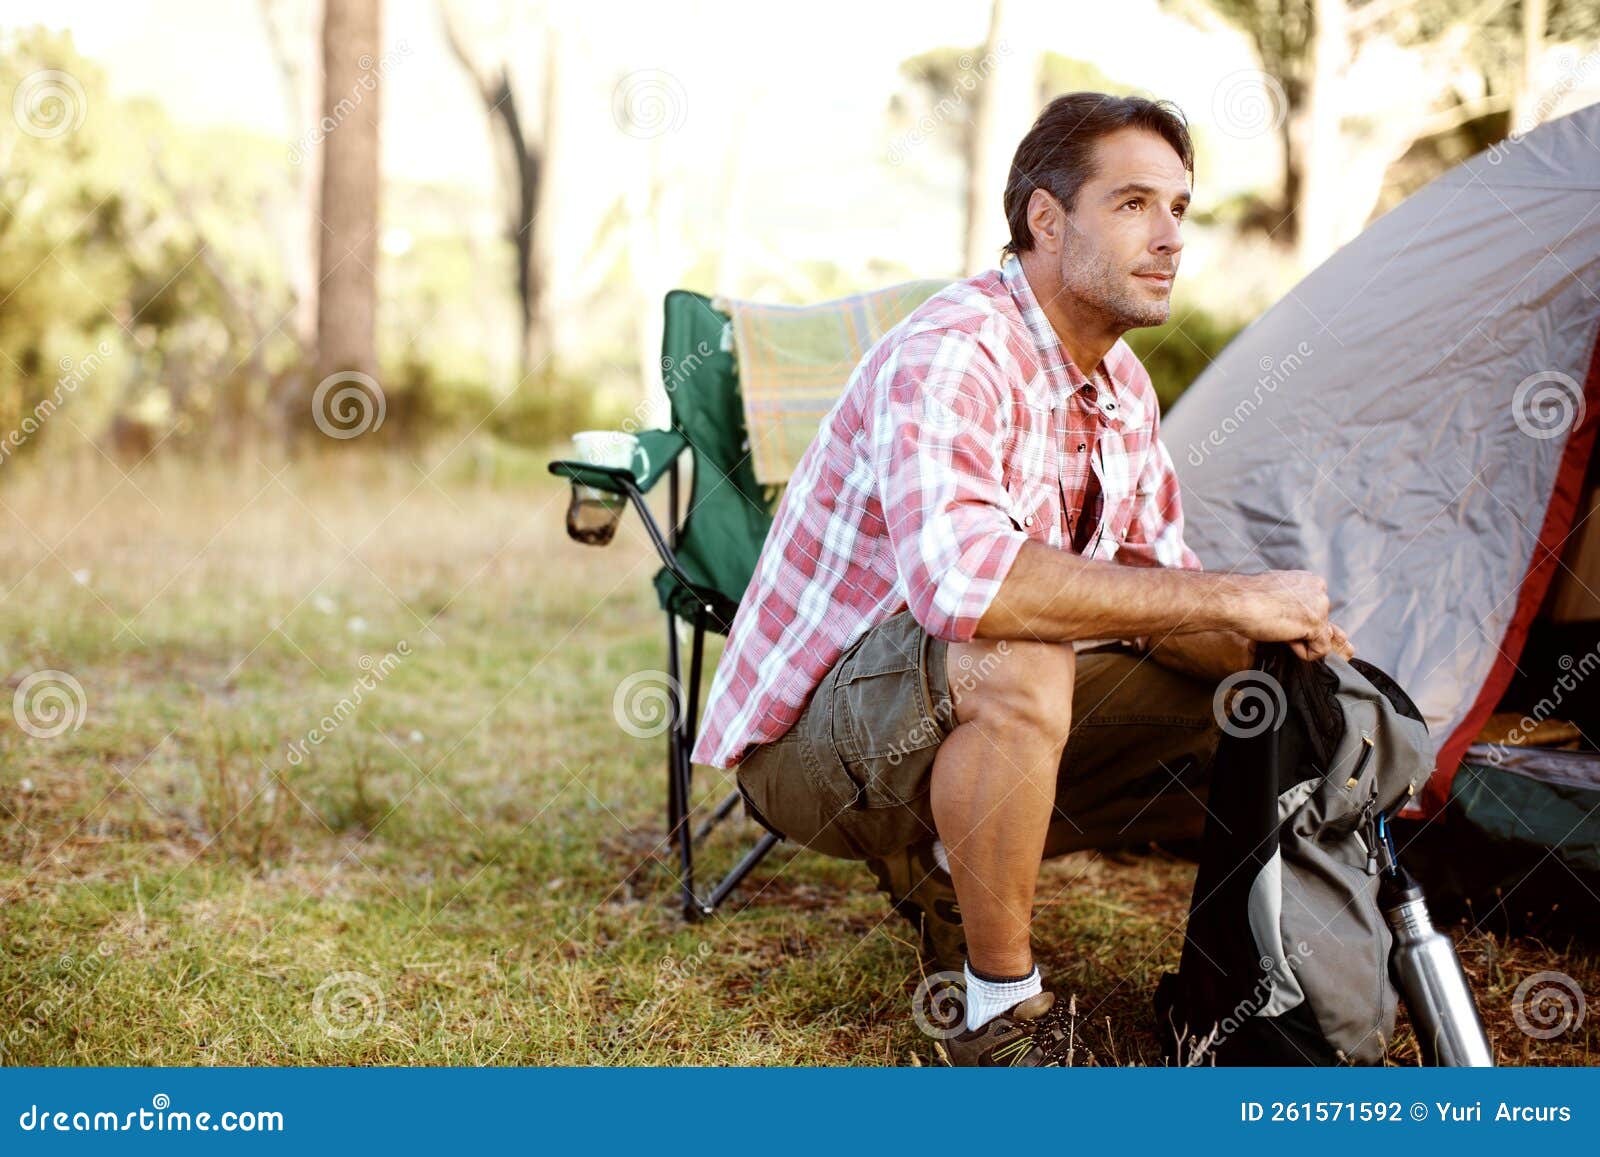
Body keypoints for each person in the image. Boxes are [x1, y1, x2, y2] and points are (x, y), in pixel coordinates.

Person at [691, 92, 1350, 1066]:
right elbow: (971, 588)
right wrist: (1229, 593)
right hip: (808, 756)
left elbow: (1153, 589)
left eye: (1180, 207)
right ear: (1046, 219)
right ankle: (995, 1013)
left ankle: (1242, 986)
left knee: (1262, 685)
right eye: (1133, 203)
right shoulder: (955, 348)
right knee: (1018, 650)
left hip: (955, 722)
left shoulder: (1121, 385)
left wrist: (1280, 643)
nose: (1170, 236)